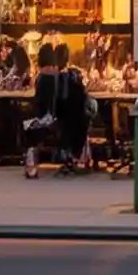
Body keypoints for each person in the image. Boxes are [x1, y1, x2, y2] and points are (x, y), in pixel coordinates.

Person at [54, 43, 91, 174]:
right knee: (85, 120)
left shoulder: (50, 75)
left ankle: (66, 153)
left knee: (69, 124)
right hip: (75, 116)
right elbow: (83, 94)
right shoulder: (74, 75)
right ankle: (74, 155)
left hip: (58, 114)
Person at [24, 45, 59, 179]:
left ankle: (31, 160)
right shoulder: (57, 74)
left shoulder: (41, 77)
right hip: (55, 116)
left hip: (44, 117)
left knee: (26, 123)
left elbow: (39, 101)